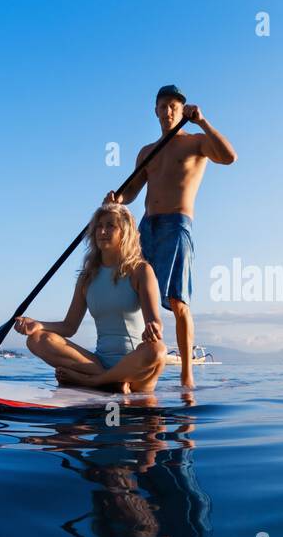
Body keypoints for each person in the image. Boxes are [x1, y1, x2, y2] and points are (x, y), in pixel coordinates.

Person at [107, 84, 237, 388]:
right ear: (155, 111)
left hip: (177, 225)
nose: (168, 112)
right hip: (146, 228)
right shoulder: (146, 152)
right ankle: (134, 366)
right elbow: (132, 191)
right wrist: (117, 198)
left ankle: (186, 376)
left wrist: (203, 121)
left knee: (177, 302)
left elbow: (229, 157)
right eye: (162, 107)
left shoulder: (195, 143)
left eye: (173, 107)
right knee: (135, 294)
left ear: (183, 110)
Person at [14, 203, 165, 393]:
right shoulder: (87, 277)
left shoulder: (141, 271)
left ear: (125, 232)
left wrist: (154, 329)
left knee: (157, 351)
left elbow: (155, 322)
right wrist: (38, 324)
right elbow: (69, 327)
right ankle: (108, 380)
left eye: (111, 225)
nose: (102, 230)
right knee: (36, 340)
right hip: (97, 363)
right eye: (99, 226)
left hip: (135, 368)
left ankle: (95, 382)